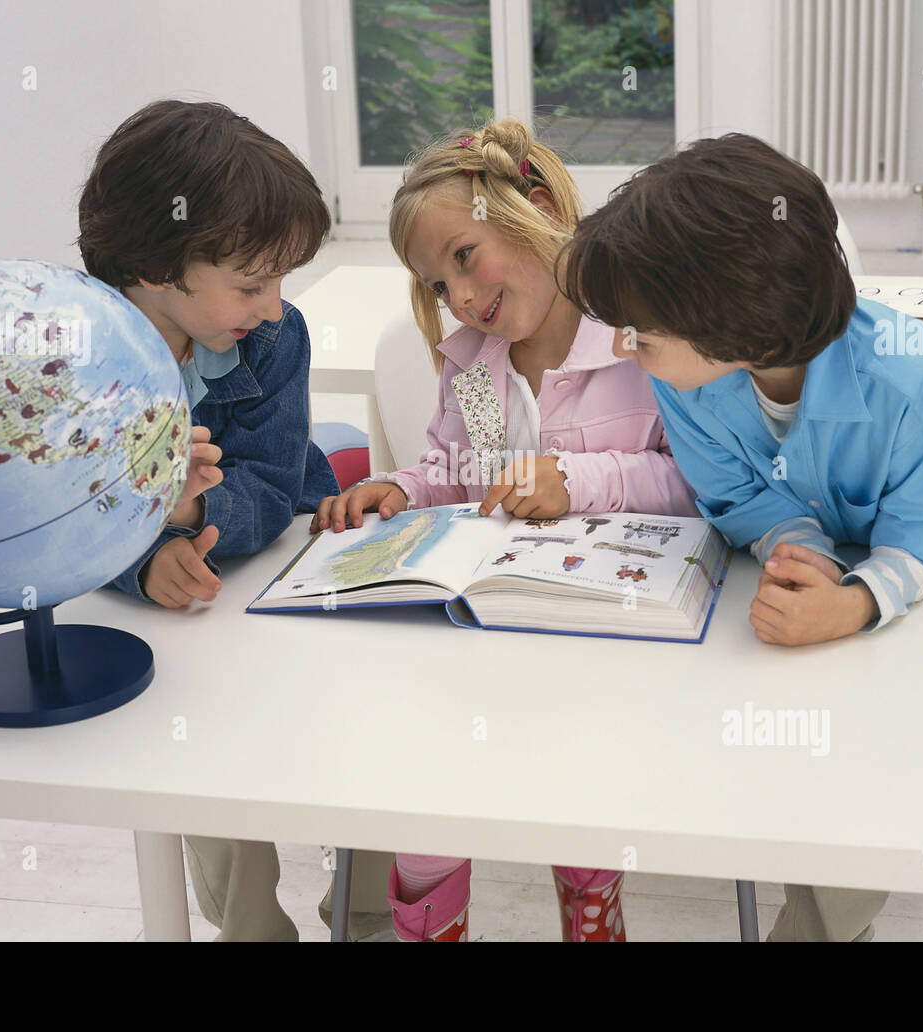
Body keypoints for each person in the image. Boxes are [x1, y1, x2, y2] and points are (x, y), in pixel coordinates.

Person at [559, 131, 923, 940]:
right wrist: (802, 550)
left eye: (641, 330)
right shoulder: (687, 383)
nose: (624, 347)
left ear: (743, 333)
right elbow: (734, 495)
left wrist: (857, 603)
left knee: (869, 782)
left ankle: (831, 916)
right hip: (789, 603)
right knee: (788, 745)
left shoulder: (915, 384)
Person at [312, 119, 699, 941]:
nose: (458, 295)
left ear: (537, 206)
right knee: (429, 795)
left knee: (580, 798)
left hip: (604, 646)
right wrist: (394, 489)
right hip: (480, 644)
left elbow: (697, 491)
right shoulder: (476, 366)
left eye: (462, 256)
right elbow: (450, 473)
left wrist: (579, 484)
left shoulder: (641, 340)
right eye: (436, 282)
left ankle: (592, 907)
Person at [77, 98, 394, 940]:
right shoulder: (69, 358)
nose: (277, 305)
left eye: (281, 279)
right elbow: (54, 520)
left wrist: (192, 511)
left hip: (285, 569)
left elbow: (273, 477)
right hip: (181, 623)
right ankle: (250, 925)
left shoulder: (271, 341)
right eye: (253, 284)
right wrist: (144, 557)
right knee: (197, 746)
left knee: (345, 724)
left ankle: (364, 908)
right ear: (151, 264)